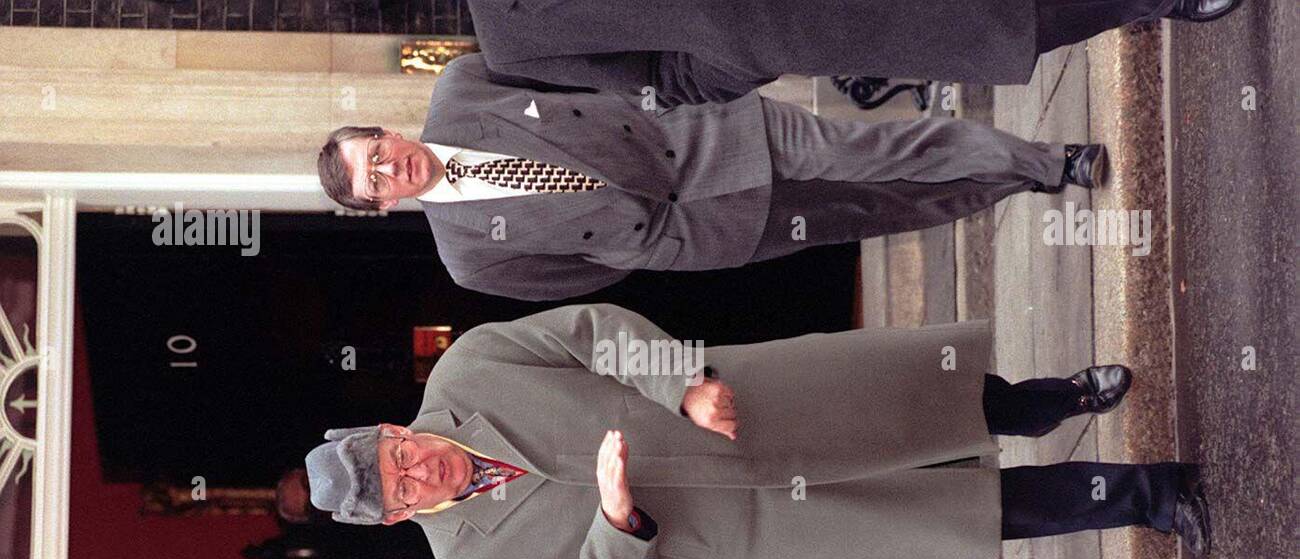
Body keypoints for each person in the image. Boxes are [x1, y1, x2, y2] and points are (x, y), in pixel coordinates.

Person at [303, 304, 1211, 559]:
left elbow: (591, 332)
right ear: (394, 519)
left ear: (391, 425)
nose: (415, 470)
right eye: (400, 489)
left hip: (745, 409)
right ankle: (1150, 495)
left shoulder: (468, 369)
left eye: (398, 453)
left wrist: (684, 384)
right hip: (764, 528)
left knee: (938, 405)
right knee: (969, 513)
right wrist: (616, 524)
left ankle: (1057, 400)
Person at [317, 53, 1103, 301]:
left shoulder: (461, 86)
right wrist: (649, 242)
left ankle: (1049, 163)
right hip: (697, 234)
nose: (390, 167)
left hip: (704, 138)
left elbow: (579, 67)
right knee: (873, 211)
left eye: (376, 151)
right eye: (375, 182)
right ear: (381, 206)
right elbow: (575, 276)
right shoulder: (468, 257)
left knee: (875, 154)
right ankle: (1007, 182)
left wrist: (649, 107)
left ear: (385, 130)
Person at [460, 0, 1243, 105]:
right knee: (998, 22)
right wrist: (749, 50)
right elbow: (663, 83)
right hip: (805, 21)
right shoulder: (509, 39)